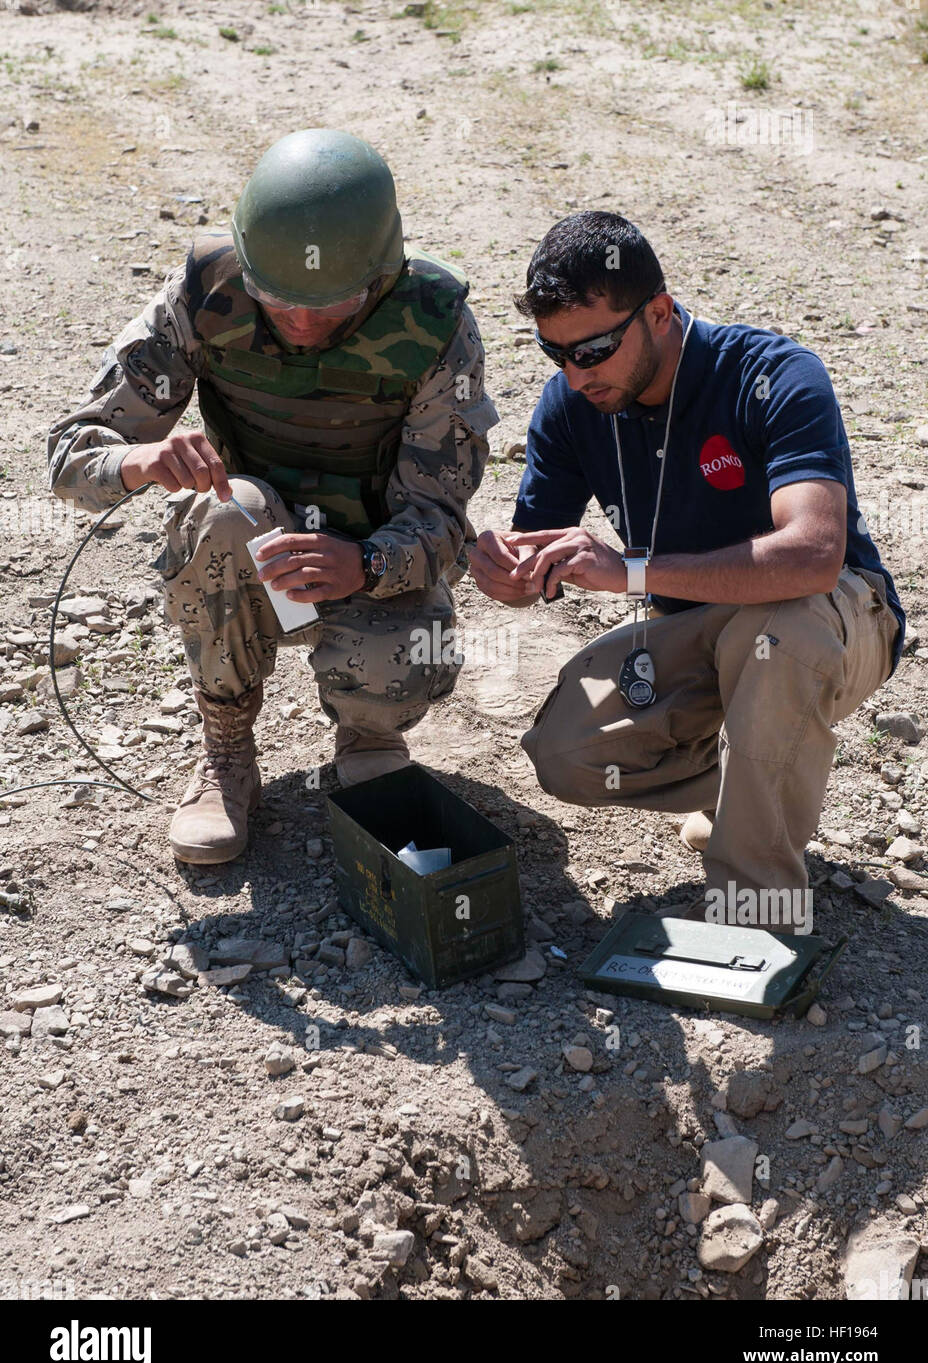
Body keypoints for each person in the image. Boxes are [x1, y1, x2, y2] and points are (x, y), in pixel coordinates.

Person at [48, 128, 497, 866]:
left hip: (371, 565)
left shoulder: (434, 323)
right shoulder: (208, 289)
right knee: (224, 514)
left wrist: (368, 565)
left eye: (332, 304)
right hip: (251, 553)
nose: (300, 322)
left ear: (382, 276)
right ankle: (227, 754)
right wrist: (142, 460)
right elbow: (71, 454)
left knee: (399, 664)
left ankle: (369, 739)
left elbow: (443, 519)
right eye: (275, 299)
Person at [469, 211, 905, 925]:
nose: (577, 376)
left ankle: (757, 909)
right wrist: (512, 577)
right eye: (557, 355)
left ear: (661, 312)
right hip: (704, 626)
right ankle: (749, 792)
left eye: (595, 349)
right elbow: (536, 550)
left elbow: (815, 555)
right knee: (567, 752)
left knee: (774, 637)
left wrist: (631, 571)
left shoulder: (769, 374)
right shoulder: (573, 405)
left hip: (833, 618)